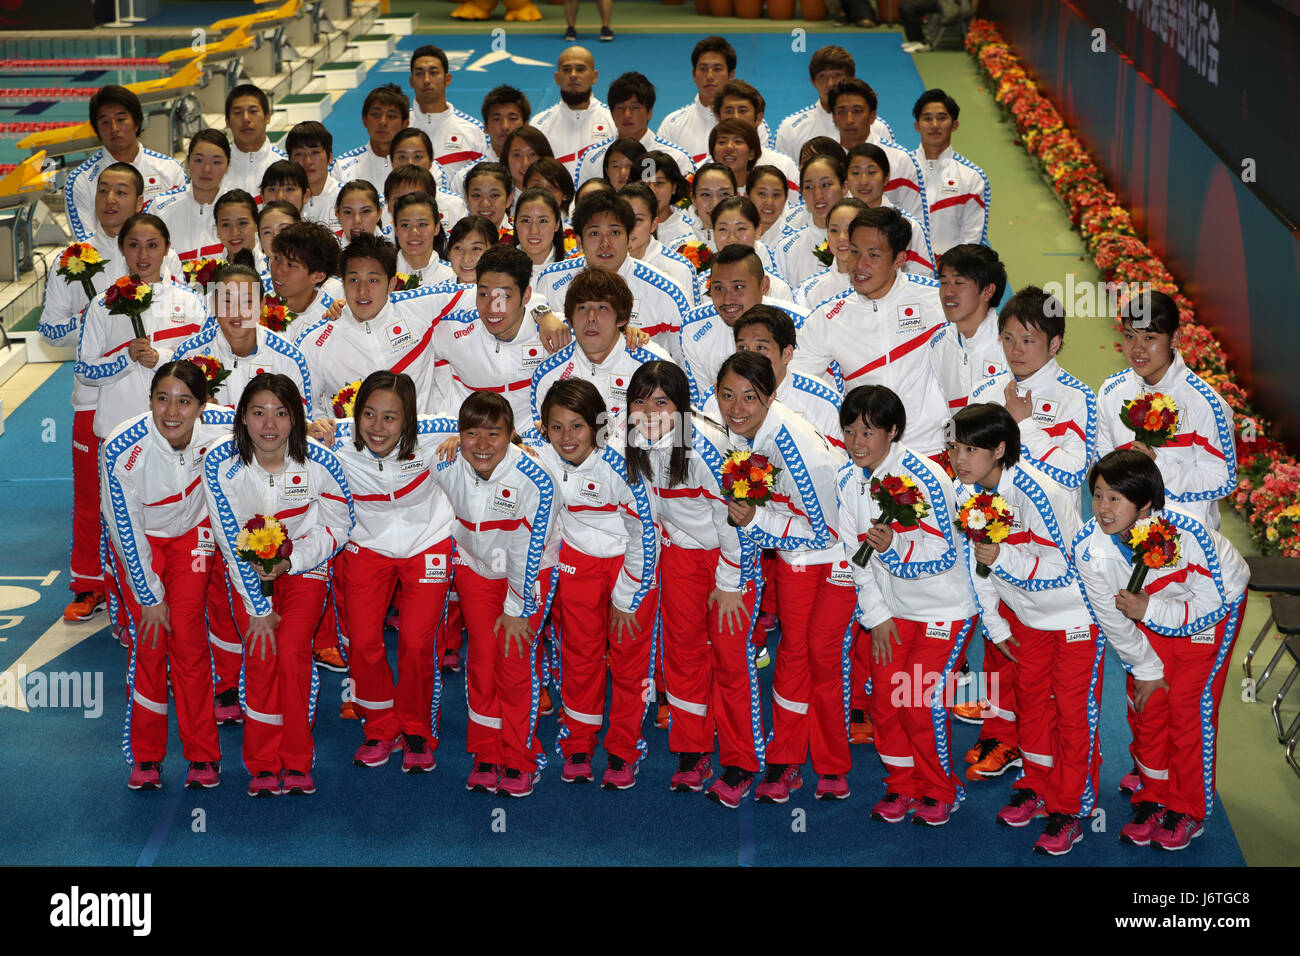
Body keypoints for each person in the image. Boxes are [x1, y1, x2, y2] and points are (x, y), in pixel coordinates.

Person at [1074, 450, 1248, 851]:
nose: (1102, 508)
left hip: (1211, 615)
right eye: (1098, 494)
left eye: (1115, 498)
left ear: (1146, 503)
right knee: (1148, 707)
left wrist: (1151, 609)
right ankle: (1154, 795)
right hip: (1149, 618)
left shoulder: (1186, 535)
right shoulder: (1088, 549)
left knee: (1187, 708)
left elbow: (1211, 603)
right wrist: (1147, 669)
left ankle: (1188, 809)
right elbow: (1113, 620)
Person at [950, 403, 1103, 856]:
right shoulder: (966, 493)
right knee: (1032, 707)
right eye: (955, 447)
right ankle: (1036, 783)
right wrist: (996, 625)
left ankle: (1070, 809)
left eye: (971, 449)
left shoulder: (1041, 493)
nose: (959, 459)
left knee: (1072, 717)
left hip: (1074, 618)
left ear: (1000, 450)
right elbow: (974, 567)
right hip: (1025, 619)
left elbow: (1070, 568)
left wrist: (1004, 559)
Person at [711, 352, 855, 803]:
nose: (736, 408)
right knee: (793, 654)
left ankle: (833, 766)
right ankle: (786, 760)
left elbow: (825, 531)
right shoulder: (744, 436)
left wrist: (756, 523)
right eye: (727, 395)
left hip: (837, 557)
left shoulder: (794, 447)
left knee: (824, 660)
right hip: (795, 556)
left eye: (750, 397)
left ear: (771, 396)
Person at [40, 163, 180, 624]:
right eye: (103, 190)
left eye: (122, 190)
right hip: (93, 398)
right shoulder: (72, 259)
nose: (110, 199)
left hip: (156, 398)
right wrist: (91, 326)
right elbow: (50, 330)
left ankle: (158, 580)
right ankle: (88, 584)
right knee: (91, 497)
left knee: (154, 494)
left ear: (139, 200)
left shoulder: (160, 253)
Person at [203, 373, 355, 797]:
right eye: (258, 413)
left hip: (306, 568)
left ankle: (297, 759)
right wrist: (259, 607)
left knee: (291, 652)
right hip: (246, 573)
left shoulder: (321, 463)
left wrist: (294, 560)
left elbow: (340, 526)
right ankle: (263, 762)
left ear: (296, 418)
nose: (269, 424)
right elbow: (230, 542)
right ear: (243, 418)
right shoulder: (220, 466)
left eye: (281, 413)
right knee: (261, 654)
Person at [623, 360, 764, 805]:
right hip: (680, 557)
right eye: (640, 401)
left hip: (730, 561)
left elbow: (734, 524)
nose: (649, 411)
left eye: (661, 402)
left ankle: (742, 760)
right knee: (682, 656)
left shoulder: (706, 450)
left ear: (681, 407)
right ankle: (692, 750)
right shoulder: (630, 439)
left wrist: (728, 582)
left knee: (730, 660)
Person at [838, 384, 979, 826]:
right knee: (883, 702)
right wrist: (877, 617)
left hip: (944, 611)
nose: (857, 443)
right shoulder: (848, 481)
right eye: (850, 432)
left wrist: (895, 547)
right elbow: (852, 556)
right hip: (892, 614)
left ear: (892, 431)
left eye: (868, 432)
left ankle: (940, 790)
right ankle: (901, 784)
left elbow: (944, 555)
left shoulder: (926, 477)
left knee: (917, 702)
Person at [100, 361, 232, 790]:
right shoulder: (122, 449)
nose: (172, 412)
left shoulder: (220, 424)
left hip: (194, 536)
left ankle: (202, 754)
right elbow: (124, 528)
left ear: (202, 405)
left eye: (184, 401)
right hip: (142, 542)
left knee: (190, 641)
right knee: (151, 643)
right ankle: (147, 755)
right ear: (150, 400)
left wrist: (317, 428)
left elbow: (270, 421)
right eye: (162, 399)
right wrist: (150, 597)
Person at [325, 371, 457, 773]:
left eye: (390, 418)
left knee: (417, 643)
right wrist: (313, 427)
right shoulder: (336, 440)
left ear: (409, 421)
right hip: (367, 547)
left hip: (427, 543)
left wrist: (466, 438)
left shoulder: (437, 432)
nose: (377, 427)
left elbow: (496, 427)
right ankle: (381, 728)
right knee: (363, 641)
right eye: (369, 414)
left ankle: (416, 729)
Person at [429, 392, 559, 797]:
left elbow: (528, 550)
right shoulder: (446, 461)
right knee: (482, 660)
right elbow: (405, 432)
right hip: (475, 569)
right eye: (471, 433)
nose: (482, 444)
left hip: (529, 573)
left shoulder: (535, 478)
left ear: (511, 436)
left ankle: (521, 757)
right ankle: (486, 751)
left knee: (515, 664)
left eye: (493, 433)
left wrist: (517, 609)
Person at [535, 379, 659, 787]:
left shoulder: (623, 464)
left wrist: (628, 596)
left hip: (631, 564)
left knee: (629, 662)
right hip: (576, 565)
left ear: (598, 427)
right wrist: (448, 443)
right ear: (544, 428)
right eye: (556, 428)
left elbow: (645, 533)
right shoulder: (539, 459)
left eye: (577, 427)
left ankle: (623, 750)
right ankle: (578, 743)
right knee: (579, 657)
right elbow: (484, 442)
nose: (566, 438)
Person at [793, 207, 950, 459]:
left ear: (899, 260)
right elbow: (796, 385)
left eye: (873, 255)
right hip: (865, 460)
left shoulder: (937, 300)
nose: (859, 265)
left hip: (934, 451)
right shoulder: (828, 318)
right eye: (855, 252)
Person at [1096, 290, 1236, 531]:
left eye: (1149, 338)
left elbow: (1222, 481)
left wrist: (1157, 467)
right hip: (1124, 534)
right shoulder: (1112, 391)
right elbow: (1103, 458)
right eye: (1130, 336)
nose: (1137, 349)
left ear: (1174, 339)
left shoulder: (1206, 404)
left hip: (1184, 541)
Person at [75, 213, 207, 445]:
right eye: (134, 245)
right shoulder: (102, 304)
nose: (143, 255)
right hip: (119, 430)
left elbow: (206, 364)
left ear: (167, 248)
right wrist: (124, 359)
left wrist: (162, 359)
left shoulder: (190, 301)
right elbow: (85, 371)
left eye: (153, 245)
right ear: (122, 247)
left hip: (178, 430)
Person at [535, 191, 693, 364]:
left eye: (615, 232)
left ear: (629, 238)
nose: (605, 243)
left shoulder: (667, 291)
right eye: (595, 233)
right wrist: (541, 314)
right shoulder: (552, 280)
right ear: (579, 241)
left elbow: (686, 366)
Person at [967, 285, 1097, 495]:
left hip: (1049, 525)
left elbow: (1074, 476)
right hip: (990, 521)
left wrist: (1024, 426)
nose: (1015, 350)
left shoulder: (1078, 397)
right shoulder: (982, 392)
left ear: (1054, 344)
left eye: (1027, 341)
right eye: (1008, 339)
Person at [531, 267, 669, 428]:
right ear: (569, 319)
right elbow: (547, 440)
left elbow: (678, 432)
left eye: (602, 308)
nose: (591, 318)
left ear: (622, 318)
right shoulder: (549, 374)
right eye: (582, 308)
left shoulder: (655, 366)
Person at [174, 256, 313, 409]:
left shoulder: (289, 358)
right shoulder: (188, 355)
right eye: (227, 301)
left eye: (247, 302)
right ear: (213, 304)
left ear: (261, 306)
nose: (237, 311)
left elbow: (301, 422)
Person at [679, 244, 805, 404]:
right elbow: (706, 402)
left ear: (764, 286)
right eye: (718, 288)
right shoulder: (693, 326)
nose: (727, 299)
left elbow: (810, 400)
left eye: (738, 287)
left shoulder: (802, 326)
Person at [65, 85, 186, 242]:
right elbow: (86, 244)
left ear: (136, 123)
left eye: (121, 119)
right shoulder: (81, 180)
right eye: (105, 122)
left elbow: (184, 226)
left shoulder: (170, 169)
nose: (114, 128)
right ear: (96, 130)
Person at [774, 46, 894, 163]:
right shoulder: (791, 129)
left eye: (837, 75)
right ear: (812, 82)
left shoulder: (878, 128)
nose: (830, 83)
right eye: (822, 76)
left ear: (852, 78)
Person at [926, 242, 1008, 412]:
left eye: (959, 282)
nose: (948, 292)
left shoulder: (1013, 345)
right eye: (943, 282)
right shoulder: (937, 343)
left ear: (987, 291)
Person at [575, 72, 693, 187]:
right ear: (611, 113)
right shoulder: (592, 158)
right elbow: (579, 204)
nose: (627, 115)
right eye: (620, 107)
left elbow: (688, 205)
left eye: (635, 107)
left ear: (649, 113)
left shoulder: (676, 157)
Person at [912, 89, 990, 256]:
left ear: (954, 125)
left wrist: (951, 271)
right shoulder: (899, 170)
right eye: (927, 119)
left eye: (942, 118)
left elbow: (972, 239)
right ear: (917, 126)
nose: (934, 125)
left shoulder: (972, 177)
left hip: (949, 275)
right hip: (903, 274)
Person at [840, 143, 933, 277]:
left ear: (886, 178)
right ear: (846, 179)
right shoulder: (835, 223)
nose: (863, 181)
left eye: (871, 172)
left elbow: (922, 282)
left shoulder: (910, 227)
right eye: (855, 173)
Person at [148, 130, 230, 263]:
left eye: (216, 162)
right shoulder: (160, 208)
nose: (206, 169)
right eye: (199, 160)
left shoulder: (239, 209)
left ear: (227, 165)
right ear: (187, 162)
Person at [656, 37, 740, 165]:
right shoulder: (672, 124)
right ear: (694, 74)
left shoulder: (749, 122)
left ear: (731, 75)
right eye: (703, 69)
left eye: (717, 69)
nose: (710, 76)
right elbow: (657, 172)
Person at [408, 44, 488, 177]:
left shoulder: (472, 131)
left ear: (447, 79)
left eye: (433, 73)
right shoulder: (399, 127)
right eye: (419, 74)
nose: (426, 80)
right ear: (411, 81)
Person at [533, 47, 614, 176]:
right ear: (557, 78)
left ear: (594, 76)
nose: (573, 75)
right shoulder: (539, 124)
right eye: (567, 70)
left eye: (580, 69)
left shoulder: (613, 121)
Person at [712, 80, 800, 194]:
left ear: (758, 118)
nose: (735, 117)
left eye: (742, 111)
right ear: (718, 117)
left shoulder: (783, 166)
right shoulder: (702, 169)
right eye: (729, 111)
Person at [619, 183, 697, 304]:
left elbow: (690, 322)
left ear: (654, 224)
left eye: (638, 219)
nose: (629, 226)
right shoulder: (599, 263)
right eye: (623, 218)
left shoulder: (679, 269)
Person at [777, 154, 846, 288]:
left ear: (845, 188)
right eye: (809, 187)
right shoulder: (787, 249)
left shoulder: (864, 240)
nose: (818, 195)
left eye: (826, 185)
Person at [270, 222, 342, 343]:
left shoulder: (333, 314)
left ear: (318, 276)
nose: (278, 270)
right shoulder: (255, 296)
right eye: (277, 259)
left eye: (291, 265)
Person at [333, 84, 412, 195]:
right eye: (375, 115)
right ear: (364, 120)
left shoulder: (419, 164)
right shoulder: (342, 168)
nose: (382, 122)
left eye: (391, 116)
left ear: (405, 124)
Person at [796, 196, 865, 311]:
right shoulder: (810, 290)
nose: (842, 238)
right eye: (834, 230)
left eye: (850, 230)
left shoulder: (885, 284)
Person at [224, 83, 286, 199]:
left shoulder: (285, 166)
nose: (246, 119)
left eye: (253, 111)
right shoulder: (216, 170)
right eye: (238, 113)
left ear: (267, 117)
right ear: (227, 122)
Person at [288, 122, 342, 237]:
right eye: (299, 154)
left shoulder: (344, 198)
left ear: (330, 157)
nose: (307, 161)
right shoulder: (285, 202)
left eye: (315, 152)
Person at [391, 191, 456, 287]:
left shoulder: (454, 277)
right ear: (396, 229)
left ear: (437, 228)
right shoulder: (383, 275)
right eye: (405, 225)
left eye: (422, 224)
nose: (414, 232)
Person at [643, 150, 703, 252]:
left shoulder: (691, 230)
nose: (652, 190)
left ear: (674, 187)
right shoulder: (624, 227)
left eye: (659, 183)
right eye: (645, 184)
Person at [513, 187, 570, 282]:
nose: (534, 231)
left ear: (557, 224)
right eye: (526, 220)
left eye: (543, 221)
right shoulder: (498, 269)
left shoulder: (571, 272)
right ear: (515, 224)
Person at [748, 165, 795, 251]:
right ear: (747, 196)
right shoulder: (735, 235)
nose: (769, 202)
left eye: (776, 195)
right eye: (762, 194)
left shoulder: (795, 241)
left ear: (785, 198)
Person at [463, 162, 515, 235]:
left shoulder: (520, 240)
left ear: (509, 199)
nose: (485, 204)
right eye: (476, 195)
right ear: (467, 198)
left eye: (494, 195)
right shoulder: (457, 240)